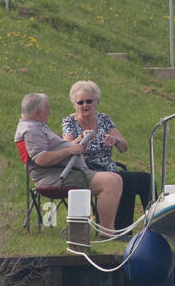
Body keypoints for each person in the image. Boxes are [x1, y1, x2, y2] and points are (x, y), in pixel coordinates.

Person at [16, 92, 121, 232]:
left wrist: (77, 142)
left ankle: (108, 229)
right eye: (47, 109)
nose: (50, 113)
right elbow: (41, 159)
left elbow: (57, 147)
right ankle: (107, 232)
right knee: (109, 181)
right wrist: (70, 151)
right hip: (56, 177)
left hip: (66, 172)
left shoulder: (36, 126)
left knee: (116, 178)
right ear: (38, 111)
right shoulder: (31, 130)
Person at [62, 79, 153, 231]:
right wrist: (81, 139)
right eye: (80, 102)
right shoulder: (70, 122)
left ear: (96, 102)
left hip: (109, 167)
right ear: (75, 104)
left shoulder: (104, 119)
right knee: (126, 179)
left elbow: (124, 147)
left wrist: (116, 140)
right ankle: (121, 229)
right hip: (87, 169)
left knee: (147, 179)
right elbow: (67, 147)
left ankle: (154, 225)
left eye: (89, 101)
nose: (85, 105)